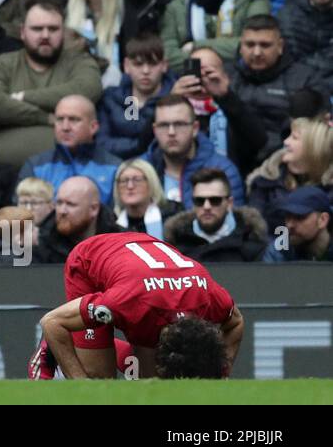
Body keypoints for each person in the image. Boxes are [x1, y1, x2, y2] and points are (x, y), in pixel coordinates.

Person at [34, 230, 244, 379]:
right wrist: (82, 387)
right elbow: (52, 322)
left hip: (144, 272)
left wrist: (222, 375)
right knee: (100, 379)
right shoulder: (124, 303)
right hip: (90, 262)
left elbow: (236, 323)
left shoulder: (210, 298)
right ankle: (63, 346)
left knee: (153, 385)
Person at [0, 1, 103, 171]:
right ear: (22, 32)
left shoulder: (80, 62)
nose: (45, 35)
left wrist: (23, 98)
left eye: (53, 29)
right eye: (37, 29)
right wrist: (45, 117)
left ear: (63, 32)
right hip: (0, 176)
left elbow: (88, 90)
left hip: (68, 174)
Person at [232, 14, 316, 158]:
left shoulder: (306, 79)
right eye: (250, 45)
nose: (257, 52)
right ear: (241, 47)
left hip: (285, 159)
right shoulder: (227, 77)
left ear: (280, 46)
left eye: (265, 45)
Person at [141, 93, 244, 206]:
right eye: (164, 125)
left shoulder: (224, 171)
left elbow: (233, 221)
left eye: (179, 124)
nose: (171, 132)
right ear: (155, 130)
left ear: (195, 128)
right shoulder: (140, 172)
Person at [159, 167, 268, 263]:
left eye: (215, 200)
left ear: (229, 203)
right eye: (199, 201)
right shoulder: (176, 245)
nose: (206, 206)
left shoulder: (252, 242)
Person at [96, 33, 175, 160]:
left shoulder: (176, 98)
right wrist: (138, 145)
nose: (145, 71)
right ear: (126, 66)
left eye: (153, 64)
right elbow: (102, 143)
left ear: (164, 65)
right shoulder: (112, 99)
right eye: (138, 64)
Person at [262, 186, 333, 261]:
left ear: (323, 220)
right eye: (287, 217)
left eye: (299, 217)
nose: (289, 225)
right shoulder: (278, 252)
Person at [111, 158, 174, 239]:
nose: (130, 186)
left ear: (151, 183)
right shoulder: (111, 225)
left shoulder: (172, 216)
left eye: (137, 180)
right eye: (124, 181)